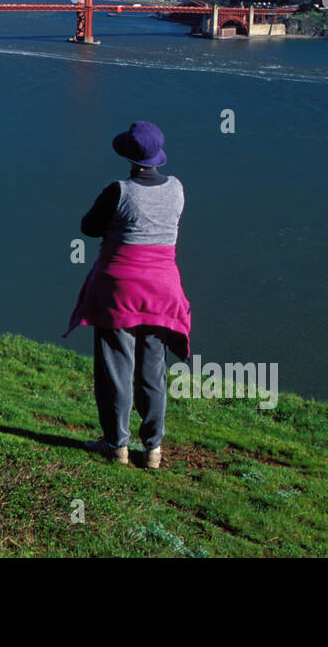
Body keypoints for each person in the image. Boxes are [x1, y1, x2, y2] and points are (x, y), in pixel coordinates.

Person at [65, 121, 192, 469]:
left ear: (128, 155)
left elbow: (88, 227)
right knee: (153, 369)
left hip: (119, 288)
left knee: (115, 367)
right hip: (164, 289)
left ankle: (116, 444)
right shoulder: (178, 188)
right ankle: (153, 448)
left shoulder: (118, 190)